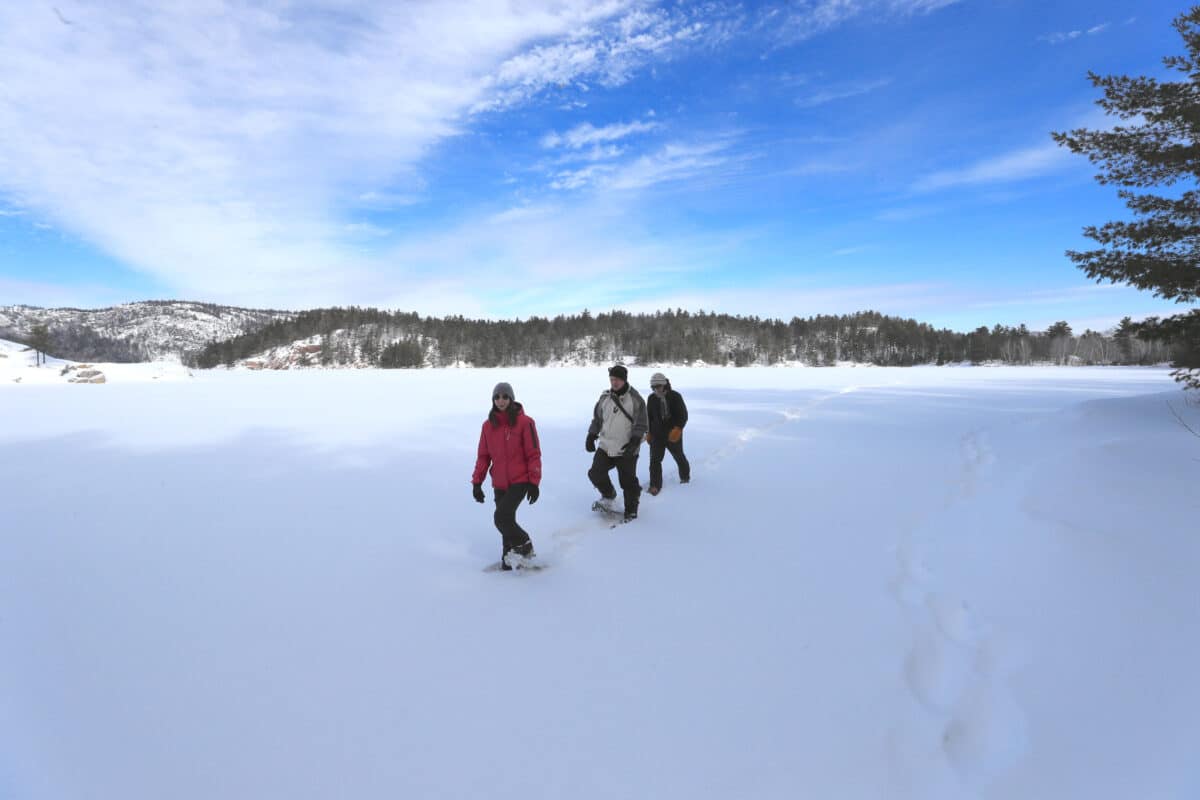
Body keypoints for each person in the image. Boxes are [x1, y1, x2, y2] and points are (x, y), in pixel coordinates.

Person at [471, 382, 541, 569]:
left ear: (511, 399)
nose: (501, 401)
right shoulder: (488, 426)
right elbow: (483, 457)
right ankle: (508, 561)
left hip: (520, 480)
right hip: (499, 483)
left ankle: (525, 545)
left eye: (505, 397)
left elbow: (533, 454)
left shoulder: (526, 423)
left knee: (501, 517)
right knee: (506, 522)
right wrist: (477, 483)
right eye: (497, 397)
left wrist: (534, 482)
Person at [585, 364, 648, 521]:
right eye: (612, 379)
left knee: (627, 482)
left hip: (626, 448)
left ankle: (631, 510)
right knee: (595, 473)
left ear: (624, 380)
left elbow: (642, 424)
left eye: (618, 379)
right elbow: (598, 419)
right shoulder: (604, 397)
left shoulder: (635, 399)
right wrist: (592, 434)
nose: (614, 382)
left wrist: (634, 441)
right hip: (606, 446)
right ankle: (608, 495)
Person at [644, 372, 690, 495]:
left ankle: (685, 478)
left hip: (673, 434)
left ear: (664, 385)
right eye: (653, 387)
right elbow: (649, 417)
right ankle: (655, 485)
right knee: (655, 460)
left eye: (658, 386)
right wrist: (648, 432)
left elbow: (683, 415)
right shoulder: (651, 398)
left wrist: (678, 429)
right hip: (657, 435)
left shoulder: (675, 396)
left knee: (679, 456)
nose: (656, 389)